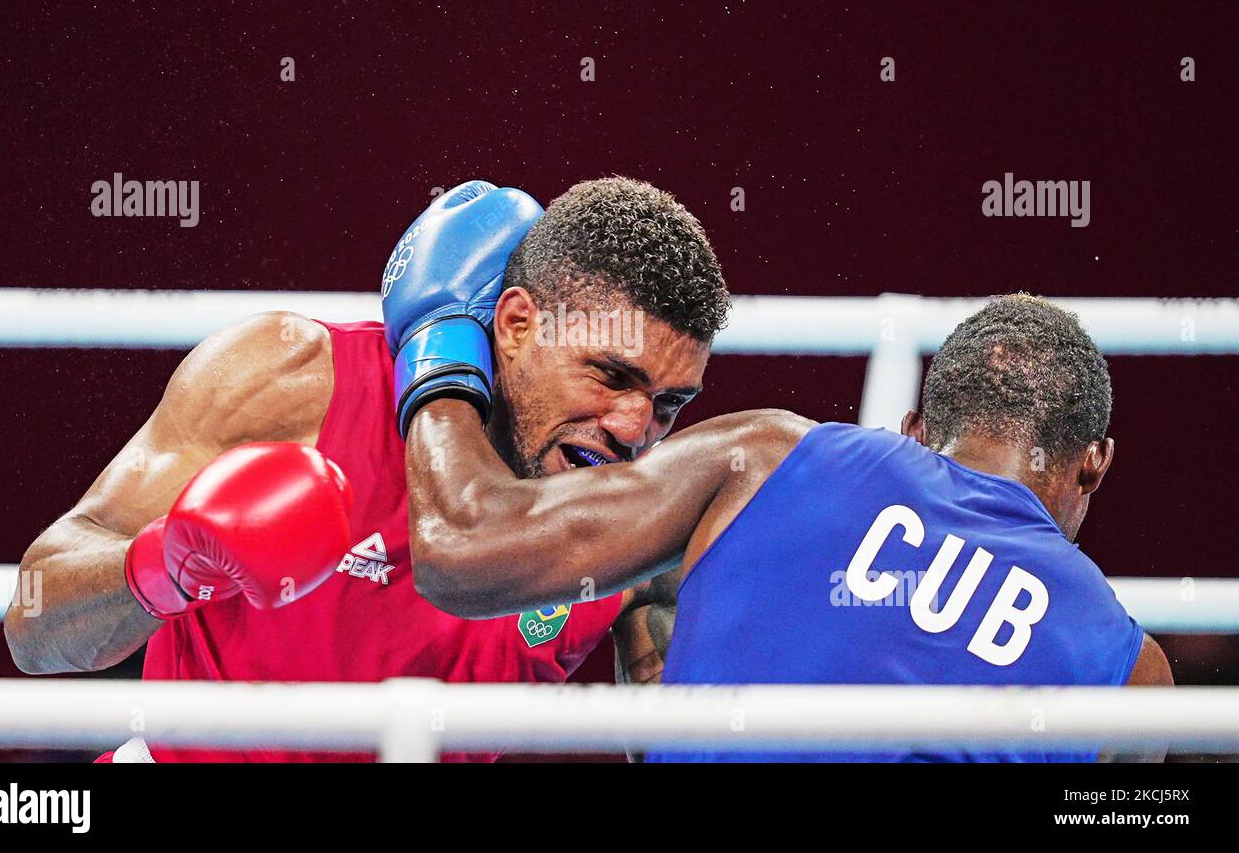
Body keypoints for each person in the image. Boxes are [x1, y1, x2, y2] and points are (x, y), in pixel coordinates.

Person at [397, 201, 1172, 762]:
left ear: (910, 434)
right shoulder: (1133, 672)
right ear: (1096, 460)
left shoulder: (766, 455)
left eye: (667, 404)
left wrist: (438, 350)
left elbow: (461, 545)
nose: (635, 427)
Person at [4, 177, 729, 762]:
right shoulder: (296, 383)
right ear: (515, 326)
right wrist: (168, 560)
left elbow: (683, 739)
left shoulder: (645, 524)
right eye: (607, 374)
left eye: (668, 403)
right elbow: (32, 629)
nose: (636, 429)